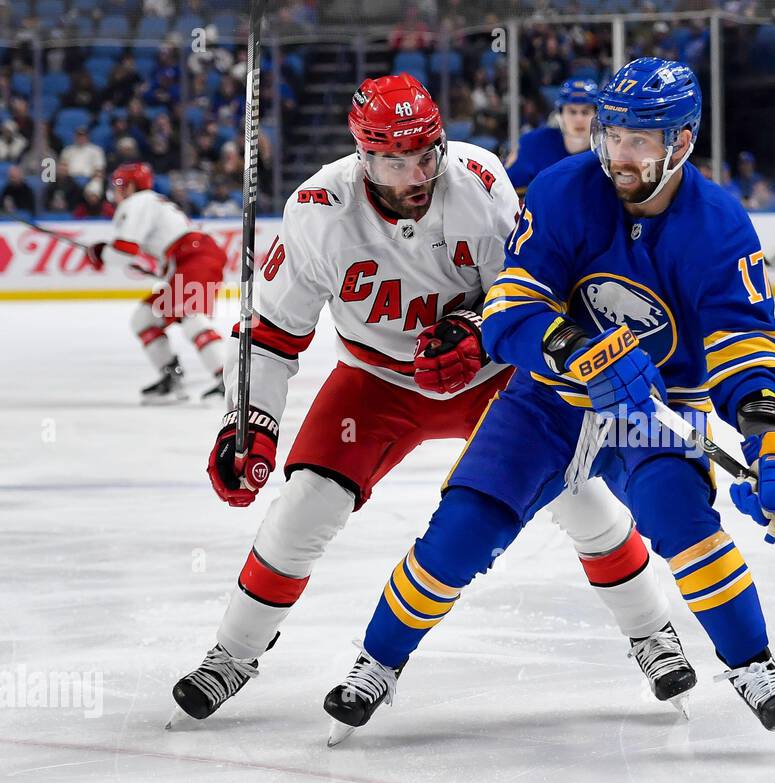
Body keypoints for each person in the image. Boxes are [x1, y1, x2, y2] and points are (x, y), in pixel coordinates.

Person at [323, 58, 775, 748]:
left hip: (656, 403)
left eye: (640, 140)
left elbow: (745, 342)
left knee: (687, 523)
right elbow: (510, 310)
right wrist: (577, 354)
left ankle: (754, 665)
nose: (619, 154)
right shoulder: (560, 190)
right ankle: (378, 660)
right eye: (613, 135)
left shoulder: (720, 226)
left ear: (683, 141)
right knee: (462, 528)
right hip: (549, 398)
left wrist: (766, 435)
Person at [171, 74, 688, 727]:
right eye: (394, 159)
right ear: (363, 156)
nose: (416, 172)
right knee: (305, 506)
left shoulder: (479, 180)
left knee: (579, 491)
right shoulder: (318, 211)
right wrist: (251, 423)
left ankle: (652, 633)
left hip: (492, 378)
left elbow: (527, 295)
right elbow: (271, 336)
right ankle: (233, 653)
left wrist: (476, 335)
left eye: (426, 152)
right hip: (376, 382)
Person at [87, 162, 228, 402]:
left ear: (131, 186)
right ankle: (171, 378)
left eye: (120, 186)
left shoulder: (137, 202)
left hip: (194, 257)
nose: (117, 192)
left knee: (191, 315)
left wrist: (101, 254)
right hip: (192, 257)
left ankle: (228, 380)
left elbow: (125, 249)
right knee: (144, 318)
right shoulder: (151, 202)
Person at [504, 77, 597, 196]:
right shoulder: (533, 143)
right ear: (560, 115)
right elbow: (506, 187)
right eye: (572, 112)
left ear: (596, 115)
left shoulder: (606, 151)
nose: (579, 119)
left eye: (585, 112)